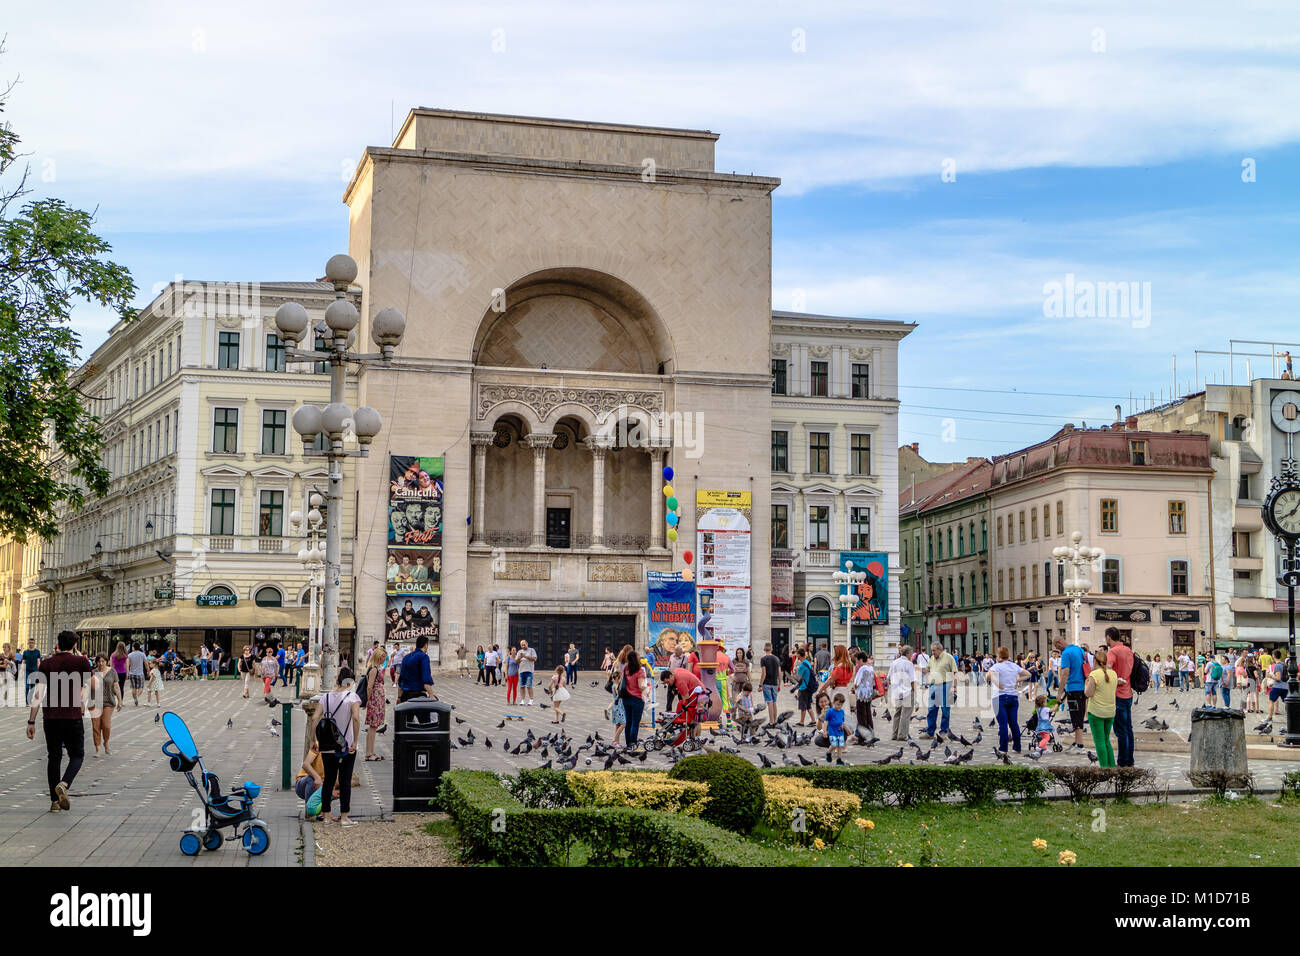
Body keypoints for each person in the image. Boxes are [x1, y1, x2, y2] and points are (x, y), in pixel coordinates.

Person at [27, 631, 92, 813]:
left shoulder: (47, 664)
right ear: (74, 645)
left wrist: (31, 721)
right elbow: (89, 685)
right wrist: (82, 703)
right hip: (72, 717)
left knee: (54, 757)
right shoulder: (81, 662)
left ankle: (55, 803)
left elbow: (38, 694)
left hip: (51, 719)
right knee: (77, 755)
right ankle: (64, 783)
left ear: (58, 643)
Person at [317, 667, 362, 827]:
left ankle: (327, 816)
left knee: (328, 779)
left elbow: (316, 717)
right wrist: (355, 741)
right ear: (350, 682)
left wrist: (314, 741)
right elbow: (356, 718)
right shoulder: (352, 697)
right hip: (346, 746)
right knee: (345, 780)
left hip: (328, 746)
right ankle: (344, 816)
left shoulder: (326, 697)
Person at [1104, 628, 1135, 767]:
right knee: (1128, 728)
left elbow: (1108, 671)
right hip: (1128, 693)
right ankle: (1130, 760)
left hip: (1117, 694)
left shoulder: (1113, 651)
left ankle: (1123, 762)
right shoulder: (1128, 650)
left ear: (1109, 637)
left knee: (1120, 730)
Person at [989, 647, 1028, 754]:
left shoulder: (997, 666)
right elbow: (1028, 674)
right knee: (1014, 723)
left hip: (999, 697)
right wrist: (1017, 680)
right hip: (1013, 697)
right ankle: (1017, 746)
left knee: (1003, 724)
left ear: (999, 656)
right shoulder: (1014, 665)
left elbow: (989, 675)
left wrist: (998, 684)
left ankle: (1003, 748)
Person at [1085, 646, 1119, 767]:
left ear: (1095, 661)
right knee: (1106, 740)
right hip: (1110, 712)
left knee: (1099, 741)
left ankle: (1104, 768)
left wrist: (1086, 684)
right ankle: (1112, 766)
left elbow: (1088, 693)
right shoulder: (1113, 673)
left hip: (1096, 712)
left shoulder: (1094, 674)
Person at [1055, 636, 1088, 752]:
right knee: (1079, 715)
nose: (1057, 650)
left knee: (1075, 716)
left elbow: (1065, 673)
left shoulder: (1066, 653)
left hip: (1073, 689)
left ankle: (1080, 745)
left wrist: (1059, 693)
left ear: (1059, 643)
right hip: (1082, 687)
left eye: (1056, 647)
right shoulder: (1079, 649)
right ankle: (1077, 742)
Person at [660, 664, 705, 740]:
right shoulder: (676, 671)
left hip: (699, 696)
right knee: (695, 720)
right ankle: (695, 739)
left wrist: (682, 713)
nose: (668, 684)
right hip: (701, 692)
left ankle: (695, 739)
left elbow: (686, 699)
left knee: (693, 719)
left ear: (671, 676)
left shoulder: (680, 682)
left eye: (668, 682)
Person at [924, 642, 957, 738]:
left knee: (945, 710)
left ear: (940, 649)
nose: (932, 652)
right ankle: (930, 732)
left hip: (945, 685)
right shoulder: (932, 658)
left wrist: (954, 688)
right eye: (932, 650)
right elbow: (927, 670)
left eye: (934, 650)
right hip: (933, 686)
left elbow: (954, 673)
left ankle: (944, 732)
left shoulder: (949, 658)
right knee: (931, 709)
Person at [89, 654, 119, 757]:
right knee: (96, 726)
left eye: (103, 661)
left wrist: (120, 700)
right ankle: (97, 748)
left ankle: (106, 742)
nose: (101, 663)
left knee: (106, 724)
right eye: (99, 661)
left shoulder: (112, 672)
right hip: (94, 702)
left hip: (108, 702)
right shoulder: (93, 673)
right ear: (96, 662)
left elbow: (116, 686)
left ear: (106, 661)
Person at [886, 647, 917, 740]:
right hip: (907, 691)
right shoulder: (909, 664)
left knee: (897, 713)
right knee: (906, 714)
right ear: (908, 654)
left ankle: (894, 734)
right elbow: (912, 680)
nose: (911, 656)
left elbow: (888, 678)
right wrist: (915, 691)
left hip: (896, 692)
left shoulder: (894, 663)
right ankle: (902, 735)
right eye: (911, 654)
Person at [362, 646, 388, 761]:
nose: (384, 658)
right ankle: (368, 753)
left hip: (377, 700)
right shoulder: (374, 669)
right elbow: (369, 686)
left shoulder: (376, 668)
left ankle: (371, 752)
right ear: (378, 656)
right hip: (374, 700)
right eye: (383, 656)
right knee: (373, 727)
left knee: (374, 726)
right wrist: (368, 700)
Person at [619, 651, 648, 747]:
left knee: (628, 721)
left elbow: (620, 680)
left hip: (626, 698)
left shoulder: (625, 668)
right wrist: (647, 686)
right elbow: (641, 686)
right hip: (637, 698)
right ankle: (633, 743)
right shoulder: (639, 670)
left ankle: (628, 743)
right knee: (635, 723)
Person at [397, 634, 435, 702]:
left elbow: (401, 679)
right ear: (426, 645)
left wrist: (399, 697)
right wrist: (431, 695)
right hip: (418, 696)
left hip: (405, 696)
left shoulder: (406, 657)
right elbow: (426, 679)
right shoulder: (424, 657)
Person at [851, 651, 875, 738]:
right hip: (869, 694)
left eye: (857, 661)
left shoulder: (863, 668)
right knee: (868, 715)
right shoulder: (871, 668)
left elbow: (857, 682)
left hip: (861, 695)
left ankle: (863, 737)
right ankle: (871, 734)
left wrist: (853, 688)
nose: (857, 663)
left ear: (861, 659)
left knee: (861, 716)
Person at [821, 693, 849, 765]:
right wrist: (824, 731)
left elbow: (843, 722)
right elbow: (826, 721)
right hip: (832, 731)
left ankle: (839, 759)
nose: (839, 706)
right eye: (837, 704)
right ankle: (829, 753)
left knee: (840, 746)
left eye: (841, 705)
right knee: (834, 744)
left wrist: (848, 730)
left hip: (840, 731)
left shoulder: (842, 711)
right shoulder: (830, 711)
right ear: (833, 702)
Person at [759, 642, 781, 726]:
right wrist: (779, 684)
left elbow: (764, 673)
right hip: (774, 683)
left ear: (764, 649)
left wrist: (760, 684)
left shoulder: (763, 659)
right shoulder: (776, 659)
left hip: (767, 683)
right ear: (771, 649)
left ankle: (771, 722)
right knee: (774, 702)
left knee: (769, 702)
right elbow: (779, 673)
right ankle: (774, 721)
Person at [793, 649, 818, 725]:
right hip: (809, 687)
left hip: (803, 687)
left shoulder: (801, 666)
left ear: (799, 655)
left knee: (803, 706)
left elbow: (798, 678)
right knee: (808, 705)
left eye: (797, 654)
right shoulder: (807, 662)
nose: (796, 655)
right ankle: (813, 720)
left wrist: (795, 672)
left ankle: (801, 722)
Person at [21, 638, 42, 705]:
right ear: (28, 643)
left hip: (34, 671)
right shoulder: (25, 652)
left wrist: (39, 671)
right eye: (30, 642)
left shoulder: (37, 652)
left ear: (34, 643)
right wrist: (21, 671)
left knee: (32, 686)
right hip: (27, 671)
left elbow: (38, 662)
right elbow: (23, 662)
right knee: (27, 686)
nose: (31, 644)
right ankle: (27, 701)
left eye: (32, 643)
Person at [516, 640, 537, 705]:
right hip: (521, 671)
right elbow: (516, 662)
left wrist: (525, 656)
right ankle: (523, 700)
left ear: (527, 644)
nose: (523, 646)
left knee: (529, 686)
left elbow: (534, 659)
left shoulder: (531, 650)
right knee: (522, 686)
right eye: (522, 645)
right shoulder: (519, 652)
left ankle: (531, 700)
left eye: (524, 644)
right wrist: (520, 657)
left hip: (529, 670)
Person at [126, 642, 147, 706]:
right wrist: (148, 670)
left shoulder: (129, 655)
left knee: (133, 688)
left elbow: (127, 665)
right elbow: (146, 663)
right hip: (140, 673)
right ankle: (137, 697)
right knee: (141, 687)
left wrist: (127, 672)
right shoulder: (142, 654)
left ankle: (135, 699)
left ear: (133, 647)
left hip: (132, 673)